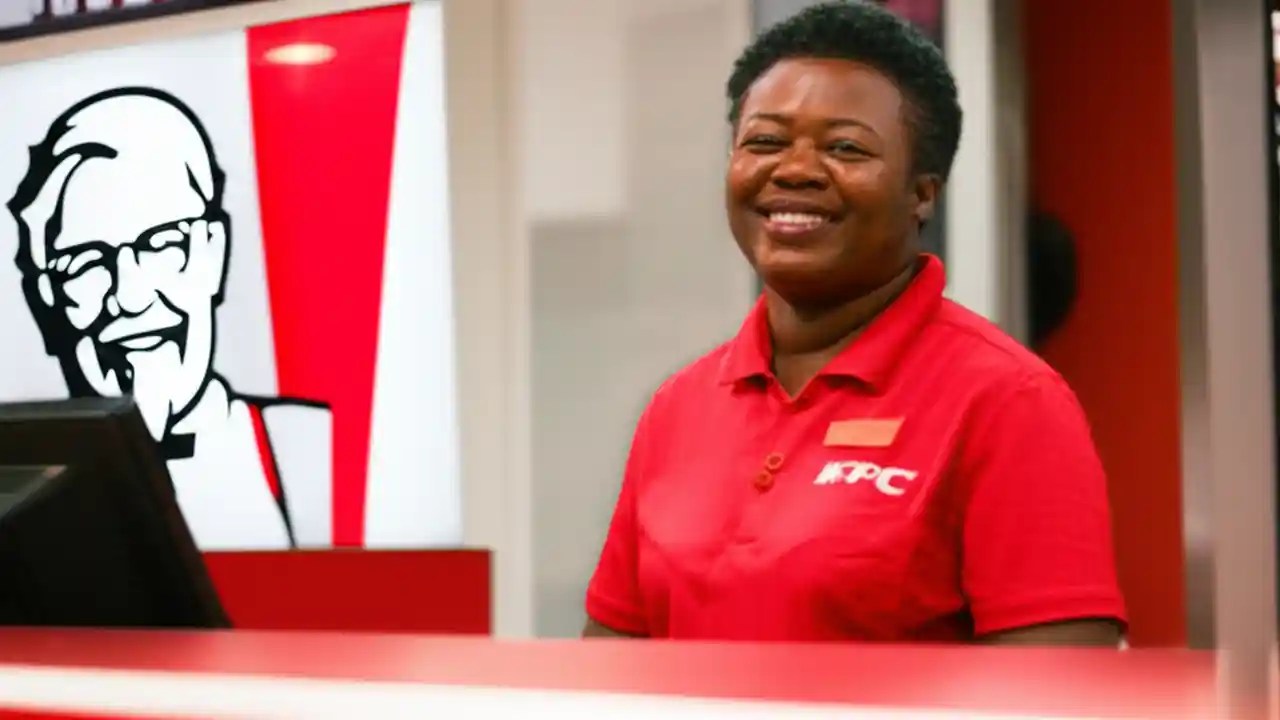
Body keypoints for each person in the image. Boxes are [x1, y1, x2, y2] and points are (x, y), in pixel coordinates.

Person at [584, 1, 1126, 645]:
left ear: (922, 192)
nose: (794, 169)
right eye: (764, 141)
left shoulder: (1008, 403)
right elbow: (612, 671)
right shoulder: (677, 408)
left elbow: (1060, 701)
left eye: (845, 147)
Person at [7, 87, 332, 550]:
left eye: (161, 245)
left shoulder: (314, 451)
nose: (131, 296)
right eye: (85, 262)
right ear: (47, 297)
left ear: (214, 253)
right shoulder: (21, 483)